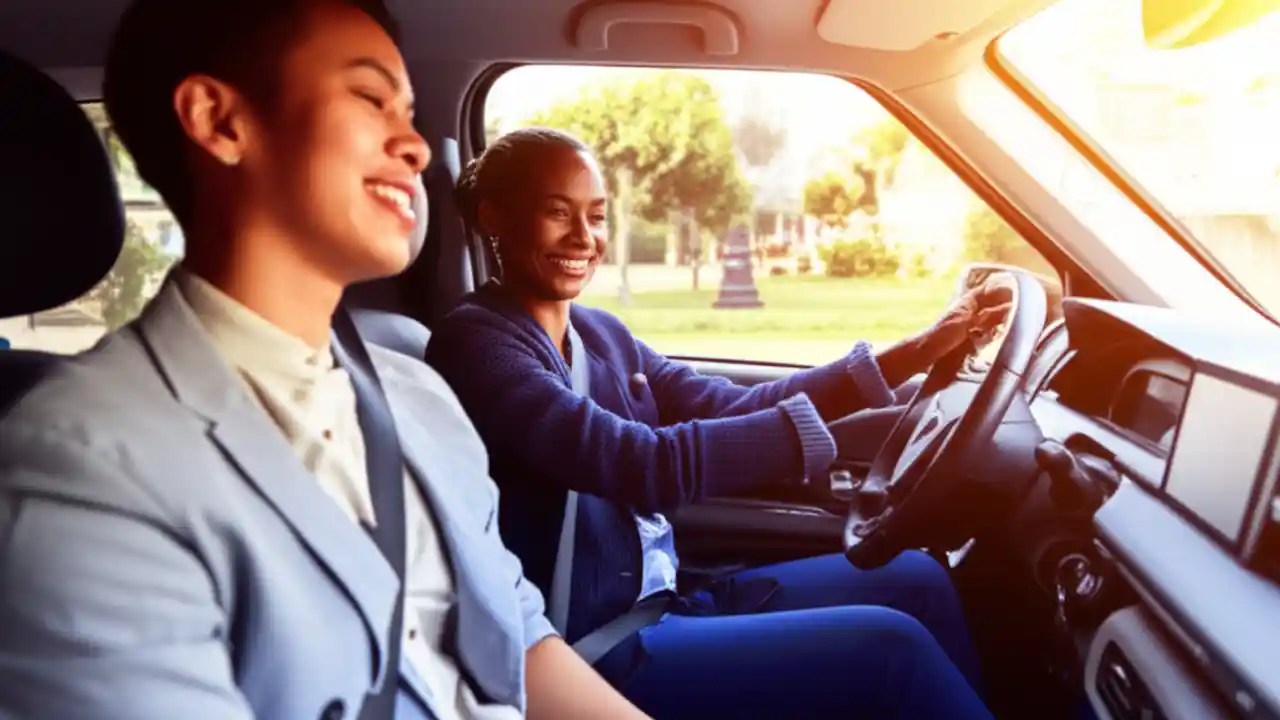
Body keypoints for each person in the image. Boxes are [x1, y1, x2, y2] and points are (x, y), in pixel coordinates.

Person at [0, 3, 650, 718]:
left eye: (410, 113)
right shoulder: (81, 467)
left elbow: (521, 643)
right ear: (220, 120)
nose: (417, 148)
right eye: (371, 99)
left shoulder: (418, 395)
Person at [426, 127, 1009, 718]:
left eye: (596, 216)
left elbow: (728, 405)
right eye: (558, 213)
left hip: (671, 598)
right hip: (597, 649)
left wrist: (916, 352)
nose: (584, 236)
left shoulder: (601, 334)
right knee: (891, 651)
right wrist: (802, 437)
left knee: (916, 578)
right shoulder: (477, 344)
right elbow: (636, 462)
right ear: (494, 217)